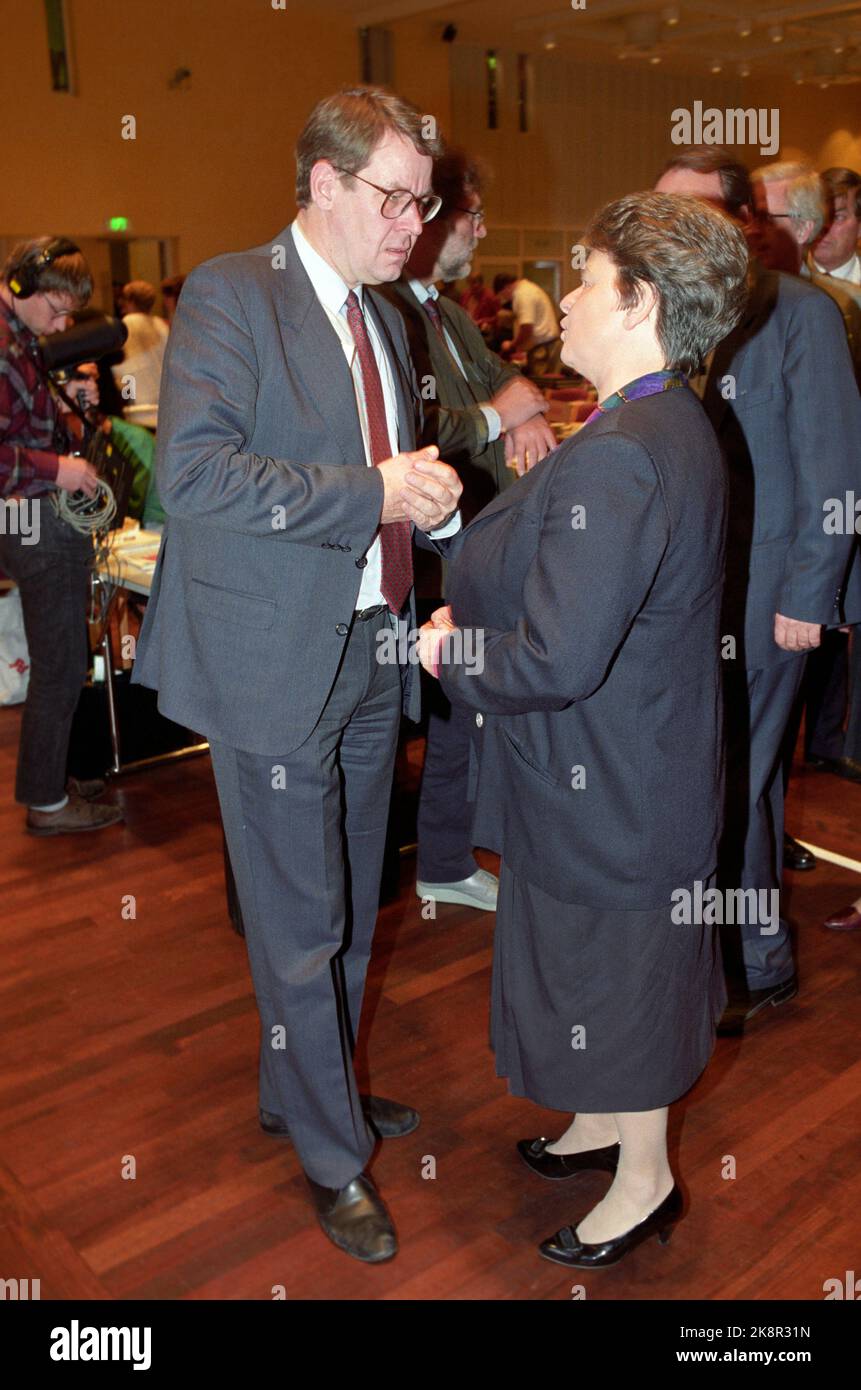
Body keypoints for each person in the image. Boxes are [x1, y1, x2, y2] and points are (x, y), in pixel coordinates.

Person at [131, 86, 462, 1265]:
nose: (415, 225)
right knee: (298, 924)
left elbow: (379, 475)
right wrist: (375, 491)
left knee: (355, 899)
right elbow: (196, 475)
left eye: (424, 204)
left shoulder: (386, 318)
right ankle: (331, 1153)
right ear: (324, 183)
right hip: (269, 657)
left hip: (371, 644)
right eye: (396, 199)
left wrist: (428, 503)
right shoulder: (234, 292)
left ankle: (305, 1083)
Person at [417, 191, 749, 1268]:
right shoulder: (658, 417)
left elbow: (558, 656)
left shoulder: (626, 447)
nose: (563, 298)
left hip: (610, 772)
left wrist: (450, 652)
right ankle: (603, 1120)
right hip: (619, 760)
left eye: (587, 279)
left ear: (640, 301)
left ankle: (645, 1180)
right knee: (593, 957)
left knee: (623, 968)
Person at [656, 147, 861, 1034]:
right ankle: (750, 952)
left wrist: (809, 598)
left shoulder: (799, 313)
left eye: (692, 208)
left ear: (740, 220)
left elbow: (835, 470)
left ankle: (746, 961)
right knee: (734, 775)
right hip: (690, 592)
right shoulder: (669, 311)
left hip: (770, 596)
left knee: (733, 779)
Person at [378, 147, 555, 912]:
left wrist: (525, 411)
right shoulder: (387, 309)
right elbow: (408, 428)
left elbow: (503, 379)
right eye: (470, 217)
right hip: (423, 552)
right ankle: (440, 857)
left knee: (461, 711)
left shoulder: (444, 313)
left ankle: (446, 856)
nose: (480, 232)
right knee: (445, 710)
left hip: (470, 546)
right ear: (430, 219)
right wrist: (493, 416)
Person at [0, 237, 123, 835]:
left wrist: (67, 402)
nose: (63, 325)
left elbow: (23, 423)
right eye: (57, 309)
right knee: (60, 663)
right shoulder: (3, 348)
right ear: (22, 287)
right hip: (31, 521)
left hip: (35, 519)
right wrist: (59, 469)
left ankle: (49, 782)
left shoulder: (20, 339)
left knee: (62, 659)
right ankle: (47, 804)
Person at [112, 280, 169, 429]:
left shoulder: (126, 324)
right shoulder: (161, 324)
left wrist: (126, 397)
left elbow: (124, 368)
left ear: (130, 301)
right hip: (163, 404)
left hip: (139, 408)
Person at [493, 272, 562, 374]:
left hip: (543, 348)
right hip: (544, 345)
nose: (505, 299)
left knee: (539, 381)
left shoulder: (523, 295)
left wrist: (511, 345)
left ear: (506, 288)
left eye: (503, 295)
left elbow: (527, 328)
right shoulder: (527, 289)